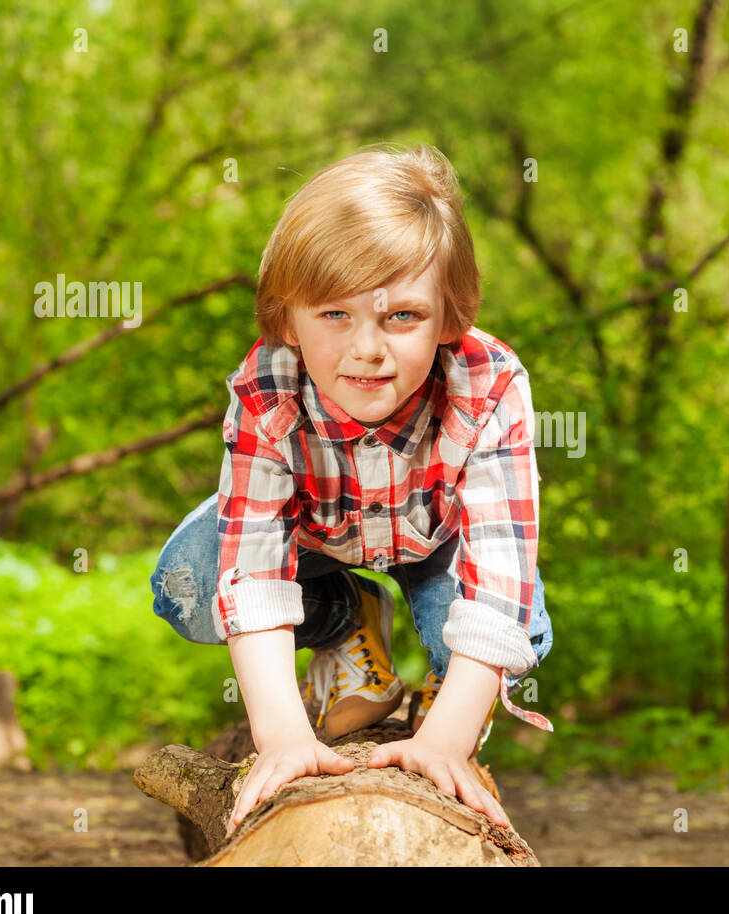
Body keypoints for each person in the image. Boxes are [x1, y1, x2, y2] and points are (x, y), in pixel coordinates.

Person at [150, 143, 553, 833]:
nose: (367, 348)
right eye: (334, 315)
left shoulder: (489, 386)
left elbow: (501, 582)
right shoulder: (266, 389)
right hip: (314, 541)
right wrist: (282, 741)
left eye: (402, 316)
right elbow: (251, 571)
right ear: (287, 319)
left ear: (451, 316)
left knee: (519, 630)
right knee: (190, 579)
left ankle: (442, 699)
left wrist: (446, 743)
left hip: (437, 538)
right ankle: (345, 620)